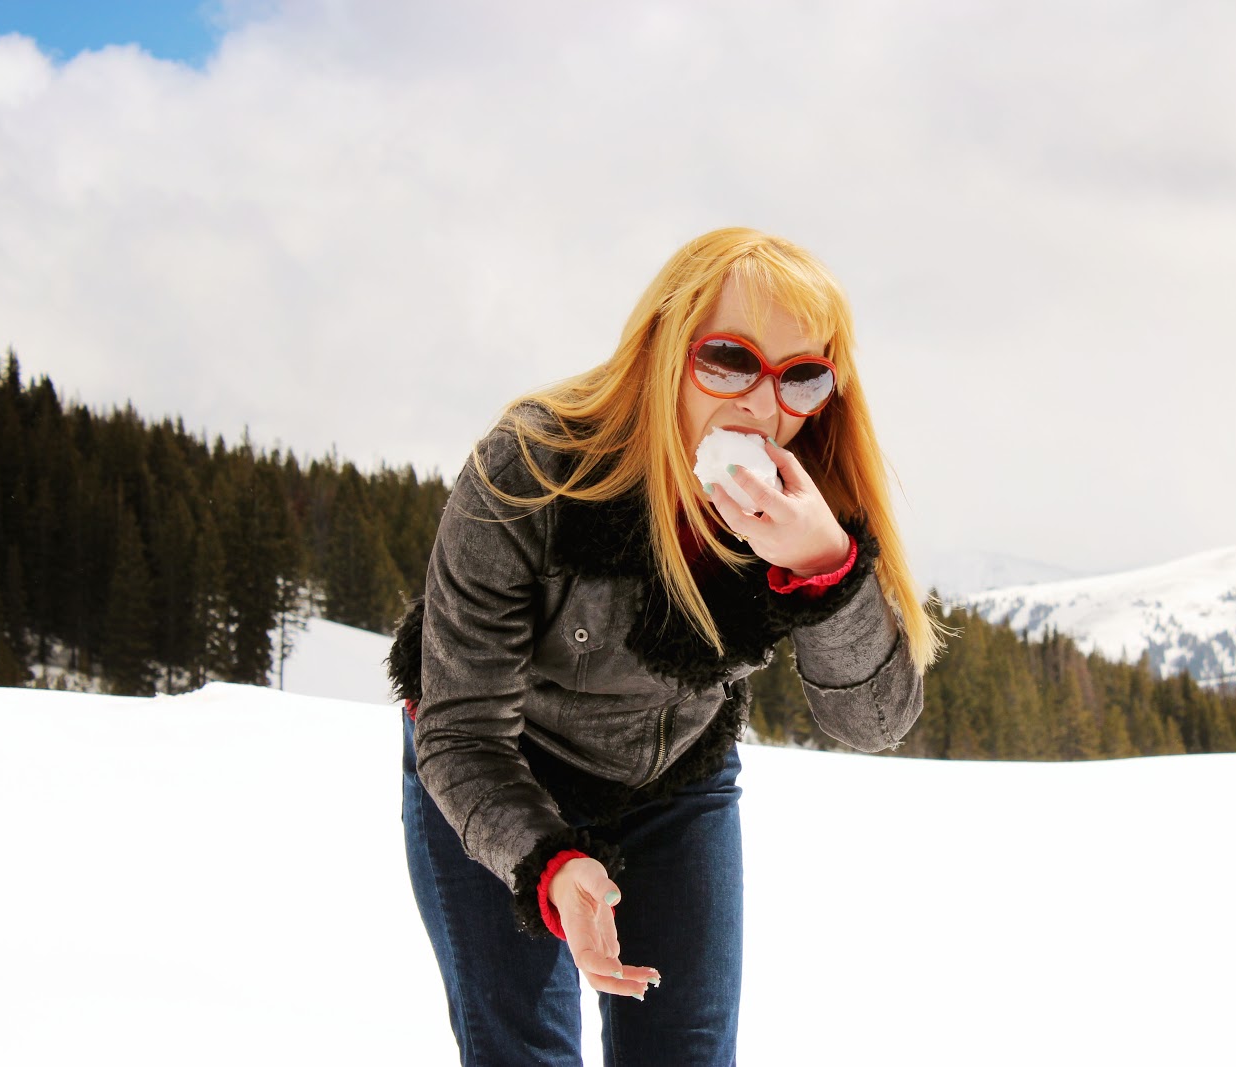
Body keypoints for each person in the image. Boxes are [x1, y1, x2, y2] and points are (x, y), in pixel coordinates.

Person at [391, 226, 944, 1066]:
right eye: (728, 360)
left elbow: (873, 722)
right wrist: (550, 861)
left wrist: (824, 567)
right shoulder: (533, 467)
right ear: (662, 348)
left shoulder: (811, 499)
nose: (764, 406)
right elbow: (462, 729)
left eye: (802, 376)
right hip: (497, 767)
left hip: (676, 785)